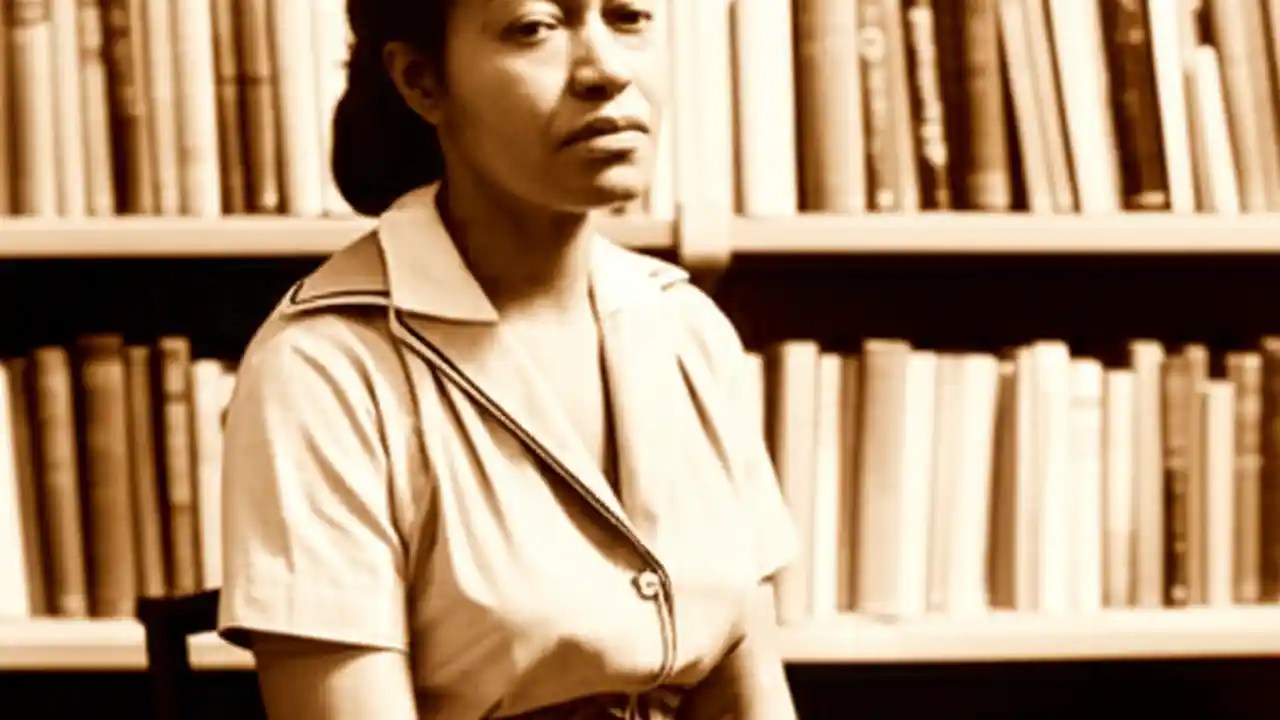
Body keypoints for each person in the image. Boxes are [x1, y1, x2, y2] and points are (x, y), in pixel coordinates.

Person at [215, 0, 799, 717]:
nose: (606, 70)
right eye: (535, 28)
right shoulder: (322, 372)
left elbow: (751, 694)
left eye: (628, 16)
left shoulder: (687, 329)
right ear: (422, 80)